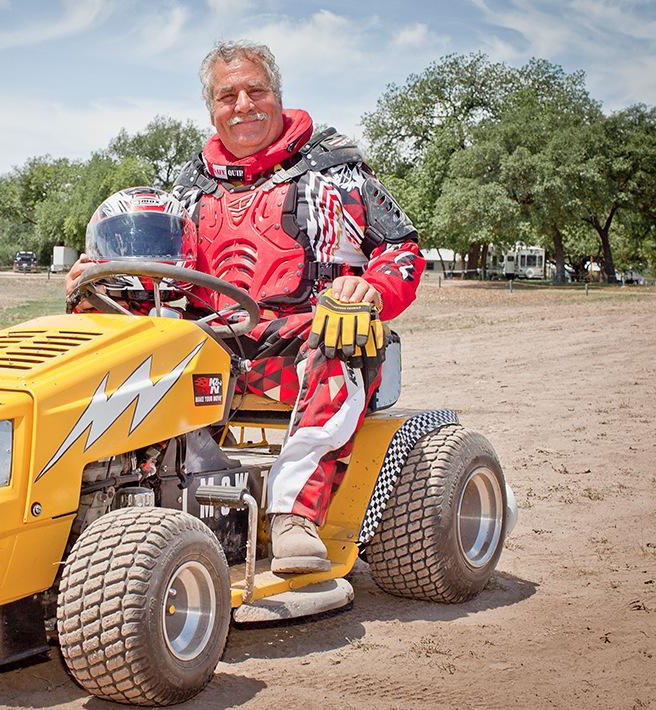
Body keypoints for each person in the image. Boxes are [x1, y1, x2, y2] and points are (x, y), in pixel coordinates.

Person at [67, 40, 423, 574]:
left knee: (341, 333)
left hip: (304, 337)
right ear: (211, 108)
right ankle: (107, 502)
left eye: (255, 90)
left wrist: (370, 287)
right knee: (115, 342)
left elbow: (401, 250)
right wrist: (98, 279)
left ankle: (293, 515)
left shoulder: (335, 169)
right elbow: (154, 271)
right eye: (227, 95)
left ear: (277, 95)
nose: (243, 105)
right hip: (209, 339)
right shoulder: (188, 186)